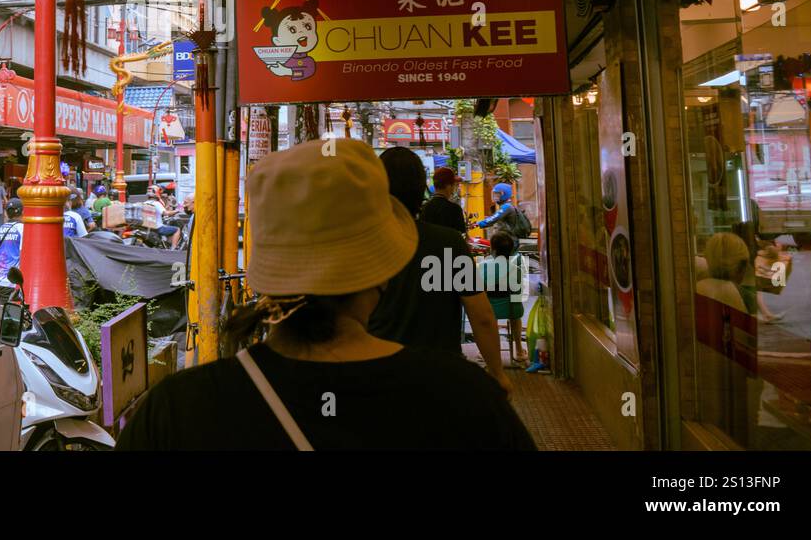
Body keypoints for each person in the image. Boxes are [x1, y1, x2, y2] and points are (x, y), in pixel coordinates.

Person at [116, 139, 535, 450]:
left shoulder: (176, 410)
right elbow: (480, 314)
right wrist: (497, 374)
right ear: (382, 271)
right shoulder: (464, 400)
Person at [369, 147, 510, 392]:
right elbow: (482, 316)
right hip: (442, 376)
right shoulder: (451, 244)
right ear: (421, 190)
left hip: (378, 375)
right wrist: (497, 373)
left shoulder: (360, 246)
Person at [482, 231, 529, 366]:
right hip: (513, 309)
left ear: (493, 249)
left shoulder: (486, 265)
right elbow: (518, 288)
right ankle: (519, 350)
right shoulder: (517, 264)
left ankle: (488, 351)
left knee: (490, 314)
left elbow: (482, 288)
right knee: (515, 316)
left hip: (492, 310)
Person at [420, 167, 468, 235]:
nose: (454, 188)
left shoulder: (424, 208)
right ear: (448, 186)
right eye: (454, 185)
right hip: (449, 246)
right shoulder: (454, 209)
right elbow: (461, 237)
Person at [0, 197, 25, 289]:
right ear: (23, 212)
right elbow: (23, 257)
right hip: (11, 283)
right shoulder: (22, 229)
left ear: (6, 213)